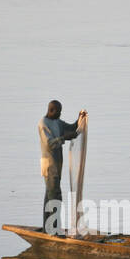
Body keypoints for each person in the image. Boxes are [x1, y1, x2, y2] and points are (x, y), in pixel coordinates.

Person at [38, 100, 85, 234]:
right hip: (49, 165)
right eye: (59, 112)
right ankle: (54, 230)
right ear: (52, 110)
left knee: (50, 195)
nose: (60, 115)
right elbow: (49, 144)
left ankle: (48, 228)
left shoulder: (57, 122)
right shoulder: (43, 124)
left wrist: (79, 119)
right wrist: (64, 138)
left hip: (57, 164)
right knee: (55, 196)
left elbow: (71, 128)